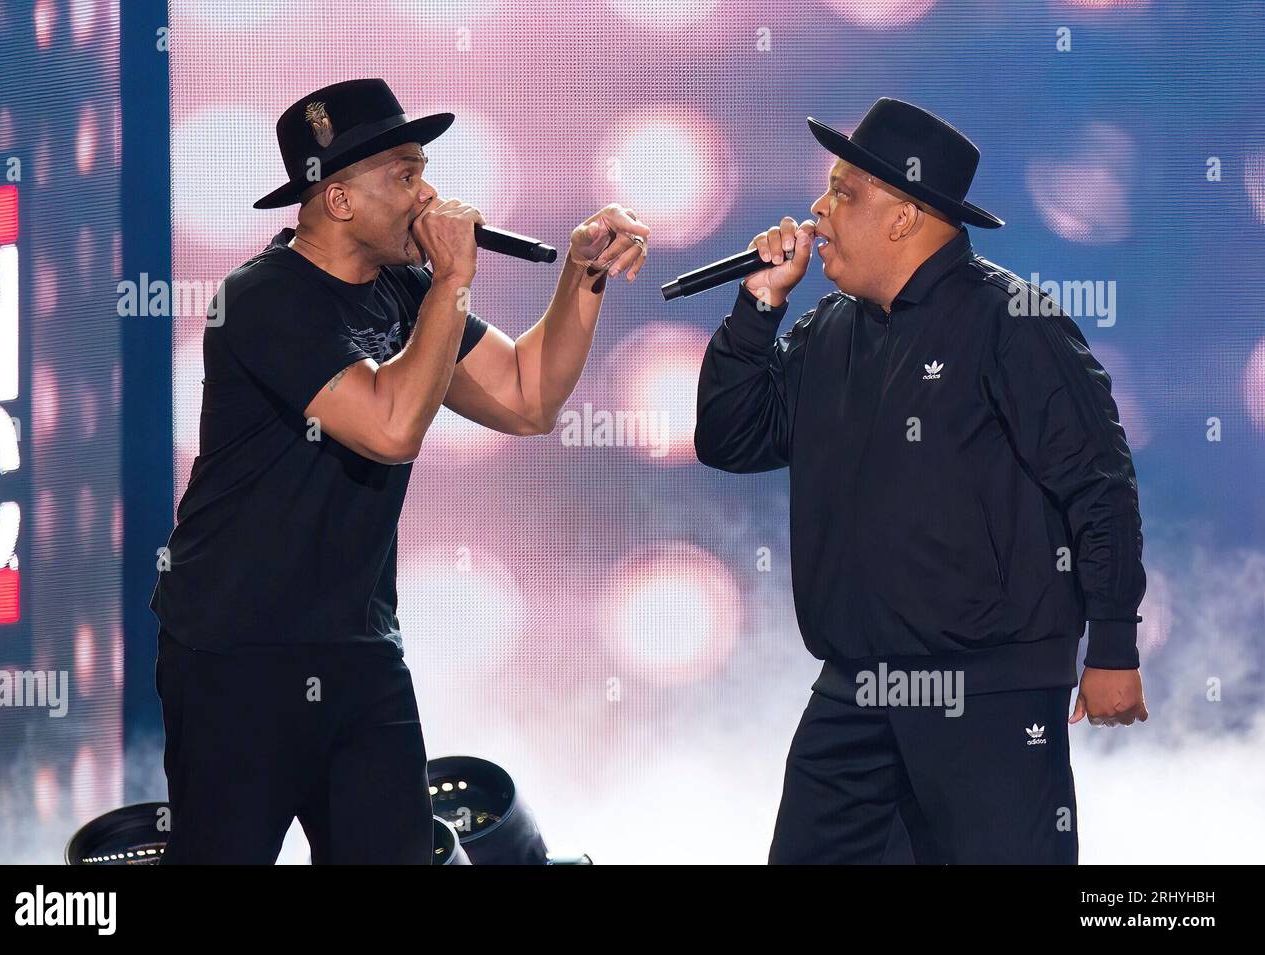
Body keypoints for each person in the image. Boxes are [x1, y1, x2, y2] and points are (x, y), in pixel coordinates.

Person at [151, 78, 649, 863]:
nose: (431, 194)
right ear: (339, 199)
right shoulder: (261, 298)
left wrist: (581, 274)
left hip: (358, 649)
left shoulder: (404, 285)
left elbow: (526, 396)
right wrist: (451, 283)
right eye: (407, 174)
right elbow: (388, 427)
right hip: (236, 656)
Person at [694, 98, 1148, 864]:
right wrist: (758, 307)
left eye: (845, 191)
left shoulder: (1014, 320)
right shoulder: (828, 329)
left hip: (989, 688)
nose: (819, 207)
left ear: (904, 216)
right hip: (857, 687)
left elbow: (1098, 484)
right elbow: (731, 438)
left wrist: (1113, 644)